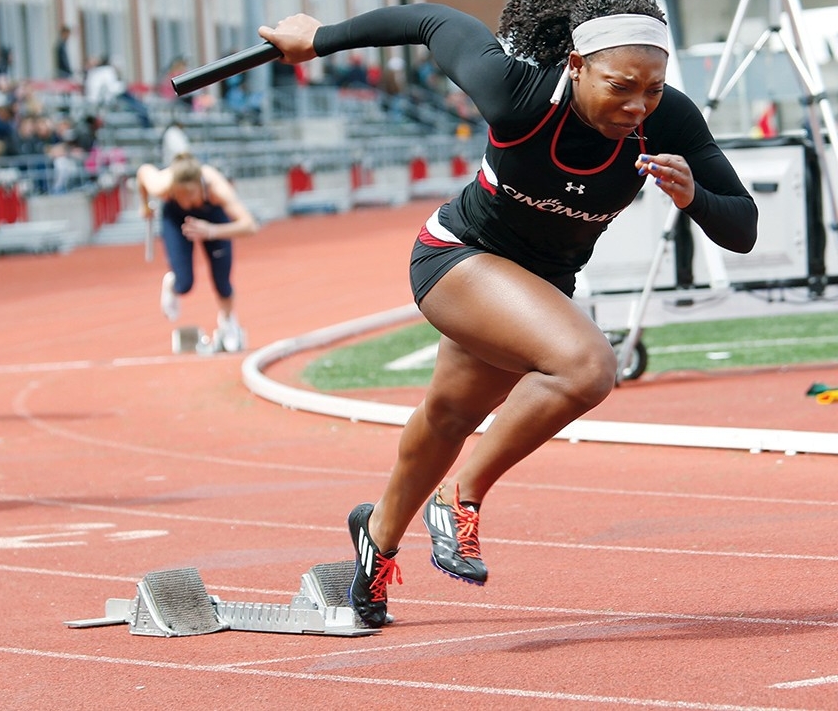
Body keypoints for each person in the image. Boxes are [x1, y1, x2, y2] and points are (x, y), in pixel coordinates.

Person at [257, 0, 757, 628]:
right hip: (458, 256)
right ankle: (459, 496)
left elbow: (742, 228)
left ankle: (375, 540)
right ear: (576, 65)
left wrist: (694, 196)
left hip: (535, 286)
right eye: (620, 87)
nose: (638, 106)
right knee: (587, 367)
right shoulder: (517, 93)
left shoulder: (670, 119)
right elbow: (433, 22)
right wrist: (320, 38)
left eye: (652, 90)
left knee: (450, 416)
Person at [136, 152, 259, 352]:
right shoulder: (161, 185)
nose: (186, 202)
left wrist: (211, 231)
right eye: (180, 195)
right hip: (176, 220)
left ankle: (228, 322)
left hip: (213, 220)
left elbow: (250, 225)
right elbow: (143, 172)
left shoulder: (216, 187)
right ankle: (173, 284)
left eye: (190, 195)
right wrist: (144, 205)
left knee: (222, 283)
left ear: (200, 187)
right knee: (184, 284)